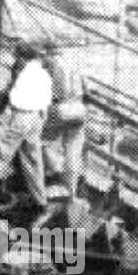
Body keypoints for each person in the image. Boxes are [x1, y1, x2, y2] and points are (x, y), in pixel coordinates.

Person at [0, 43, 53, 214]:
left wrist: (5, 99)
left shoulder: (24, 71)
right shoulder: (43, 72)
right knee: (32, 160)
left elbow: (15, 97)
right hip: (38, 117)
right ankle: (40, 200)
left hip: (22, 116)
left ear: (22, 56)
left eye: (16, 55)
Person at [39, 44, 88, 228]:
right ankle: (72, 193)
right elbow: (88, 90)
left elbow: (48, 94)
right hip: (80, 109)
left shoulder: (49, 63)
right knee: (73, 151)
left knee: (43, 142)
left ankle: (55, 174)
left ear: (50, 52)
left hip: (61, 108)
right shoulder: (76, 63)